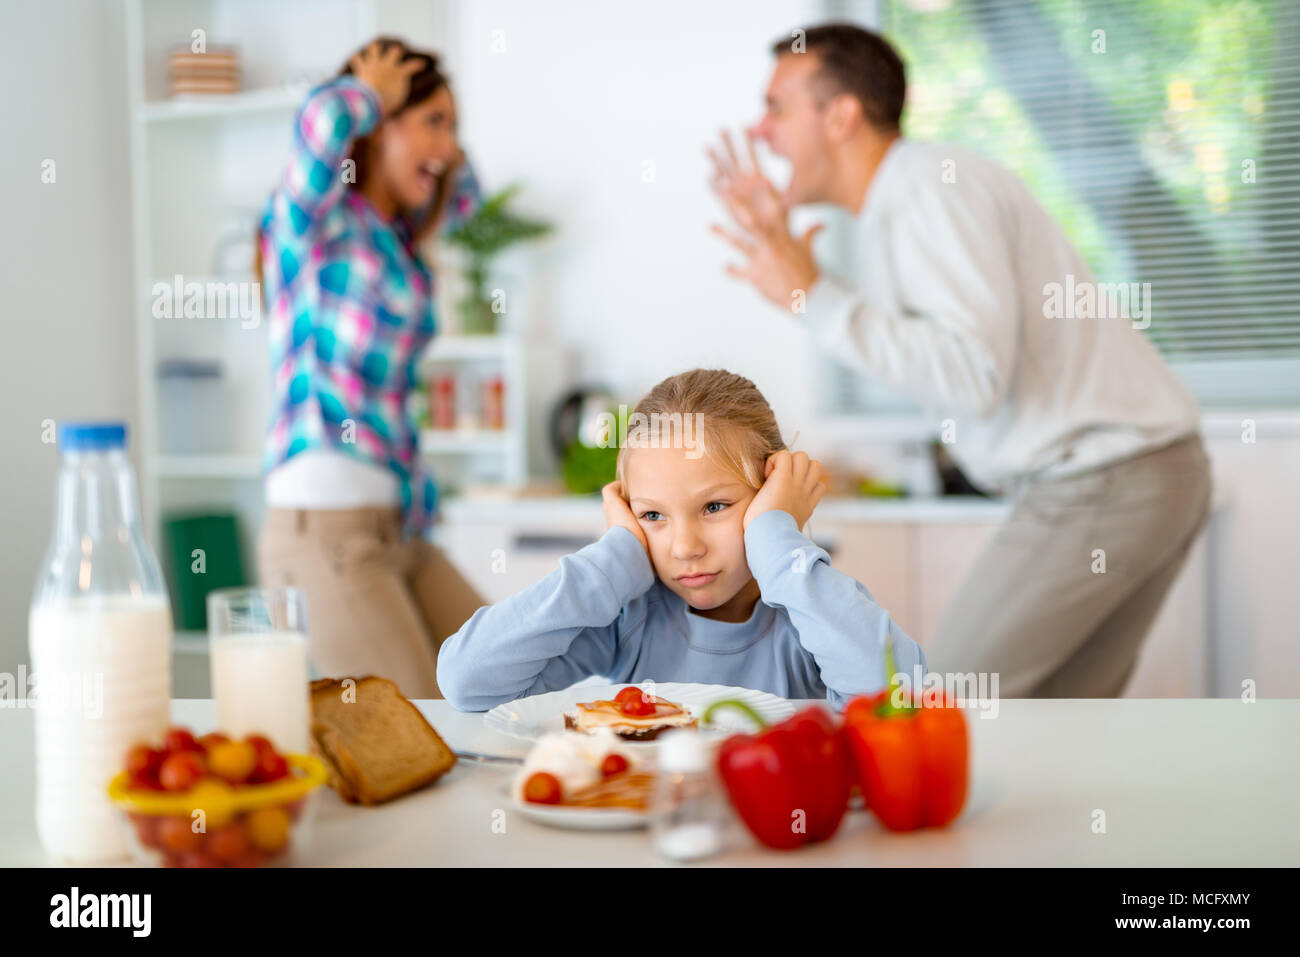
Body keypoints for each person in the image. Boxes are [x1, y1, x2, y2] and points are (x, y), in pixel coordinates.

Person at [709, 23, 1211, 697]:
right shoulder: (913, 195)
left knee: (945, 704)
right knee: (1059, 728)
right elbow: (953, 354)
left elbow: (971, 375)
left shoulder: (925, 190)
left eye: (776, 107)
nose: (760, 130)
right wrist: (811, 285)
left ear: (842, 115)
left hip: (1106, 479)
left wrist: (813, 295)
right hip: (1139, 474)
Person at [437, 368, 925, 712]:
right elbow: (467, 682)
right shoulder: (629, 618)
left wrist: (777, 538)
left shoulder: (812, 612)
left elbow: (899, 697)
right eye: (652, 515)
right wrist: (611, 561)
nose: (685, 546)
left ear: (772, 493)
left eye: (714, 507)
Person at [255, 38, 486, 698]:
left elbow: (468, 200)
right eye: (432, 122)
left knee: (508, 680)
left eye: (454, 126)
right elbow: (321, 128)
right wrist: (368, 91)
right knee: (418, 726)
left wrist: (438, 145)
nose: (447, 147)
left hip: (401, 527)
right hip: (323, 531)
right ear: (375, 126)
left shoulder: (397, 243)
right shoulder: (315, 227)